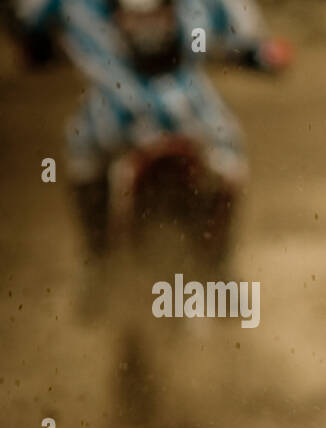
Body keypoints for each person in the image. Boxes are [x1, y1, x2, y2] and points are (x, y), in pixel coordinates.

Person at [14, 0, 290, 281]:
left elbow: (30, 23)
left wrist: (36, 45)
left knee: (83, 153)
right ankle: (215, 267)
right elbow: (245, 38)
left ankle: (98, 264)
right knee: (229, 157)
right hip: (182, 113)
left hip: (122, 115)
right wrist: (259, 54)